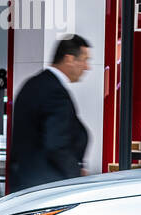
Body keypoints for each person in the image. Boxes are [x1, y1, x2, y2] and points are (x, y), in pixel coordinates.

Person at [8, 34, 91, 192]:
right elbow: (56, 143)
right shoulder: (54, 92)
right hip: (45, 184)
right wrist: (75, 175)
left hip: (28, 180)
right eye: (84, 60)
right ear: (69, 59)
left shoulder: (35, 84)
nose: (87, 67)